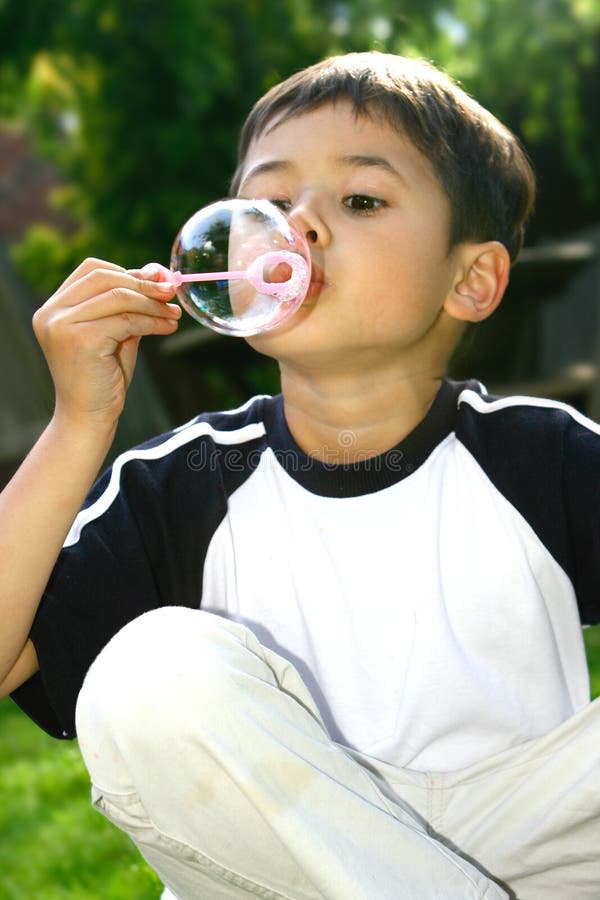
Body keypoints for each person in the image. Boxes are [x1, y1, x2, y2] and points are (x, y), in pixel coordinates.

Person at [0, 51, 598, 900]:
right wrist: (76, 425)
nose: (299, 227)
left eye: (359, 199)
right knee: (145, 673)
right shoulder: (184, 482)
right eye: (270, 204)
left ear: (470, 280)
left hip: (521, 844)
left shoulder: (539, 456)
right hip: (284, 847)